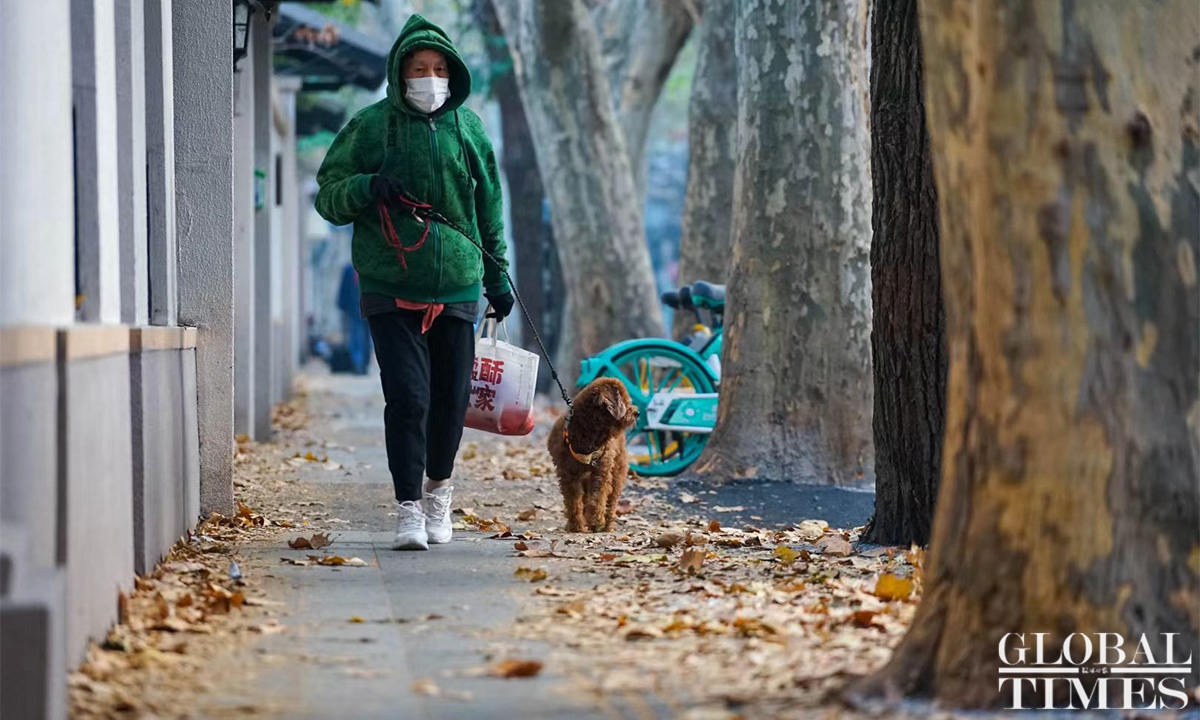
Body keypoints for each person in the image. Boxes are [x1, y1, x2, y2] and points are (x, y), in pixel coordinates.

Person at [314, 14, 513, 551]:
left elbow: (487, 208)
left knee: (450, 401)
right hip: (388, 282)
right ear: (400, 74)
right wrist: (366, 186)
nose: (430, 77)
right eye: (419, 68)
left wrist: (499, 278)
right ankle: (407, 508)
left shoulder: (469, 129)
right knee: (407, 397)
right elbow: (328, 194)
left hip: (457, 285)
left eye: (439, 68)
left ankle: (439, 491)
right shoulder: (371, 126)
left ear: (452, 74)